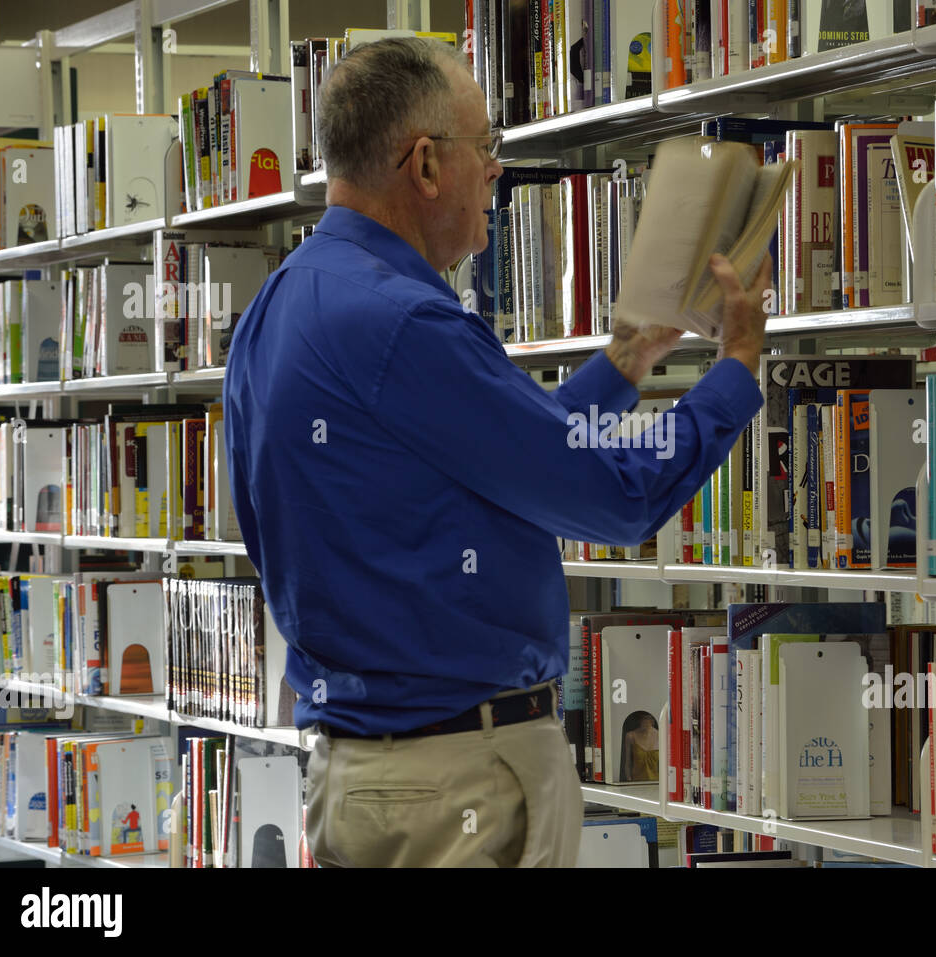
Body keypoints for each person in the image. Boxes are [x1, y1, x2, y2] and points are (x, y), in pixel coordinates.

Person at [223, 36, 770, 868]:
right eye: (488, 147)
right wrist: (734, 373)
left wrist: (623, 365)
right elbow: (612, 496)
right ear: (425, 166)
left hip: (358, 775)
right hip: (457, 784)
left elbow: (508, 459)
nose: (498, 172)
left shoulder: (278, 308)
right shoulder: (407, 322)